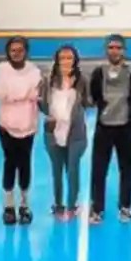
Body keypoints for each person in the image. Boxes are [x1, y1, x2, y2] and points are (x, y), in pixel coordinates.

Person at [88, 34, 131, 224]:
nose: (115, 51)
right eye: (111, 47)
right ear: (106, 50)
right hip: (104, 127)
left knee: (126, 169)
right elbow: (93, 98)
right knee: (99, 169)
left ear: (124, 51)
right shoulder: (99, 73)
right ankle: (97, 208)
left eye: (118, 48)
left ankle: (125, 207)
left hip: (126, 128)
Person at [0, 36, 42, 225]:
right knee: (10, 162)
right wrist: (23, 95)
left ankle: (24, 205)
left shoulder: (34, 71)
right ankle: (8, 206)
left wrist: (16, 96)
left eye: (20, 50)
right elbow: (0, 94)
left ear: (26, 51)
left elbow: (35, 94)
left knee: (25, 163)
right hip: (5, 124)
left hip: (28, 124)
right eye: (13, 50)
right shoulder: (1, 70)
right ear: (8, 52)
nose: (16, 53)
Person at [40, 44, 90, 220]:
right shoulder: (47, 80)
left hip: (76, 134)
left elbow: (89, 101)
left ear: (75, 60)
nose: (66, 61)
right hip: (53, 133)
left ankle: (72, 204)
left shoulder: (82, 80)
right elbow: (43, 105)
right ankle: (58, 204)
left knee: (72, 169)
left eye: (69, 58)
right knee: (56, 170)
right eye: (62, 58)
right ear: (57, 61)